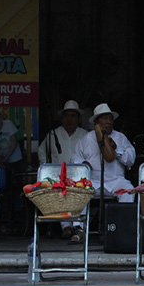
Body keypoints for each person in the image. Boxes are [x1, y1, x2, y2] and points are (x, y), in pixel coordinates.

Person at [71, 103, 136, 241]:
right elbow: (75, 157)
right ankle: (79, 229)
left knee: (129, 190)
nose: (108, 121)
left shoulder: (120, 137)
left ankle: (123, 228)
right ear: (97, 122)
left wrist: (117, 150)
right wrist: (83, 163)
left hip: (115, 180)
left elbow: (131, 159)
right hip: (93, 182)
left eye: (110, 118)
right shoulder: (86, 139)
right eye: (104, 118)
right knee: (78, 190)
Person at [38, 99, 88, 238]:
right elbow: (42, 151)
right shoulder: (53, 134)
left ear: (78, 118)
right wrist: (48, 167)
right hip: (58, 176)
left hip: (79, 176)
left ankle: (78, 227)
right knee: (60, 192)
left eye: (73, 116)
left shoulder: (85, 135)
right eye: (67, 116)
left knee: (81, 193)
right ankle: (66, 226)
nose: (69, 119)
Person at [0, 108, 26, 233]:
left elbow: (14, 142)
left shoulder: (8, 124)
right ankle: (5, 219)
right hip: (4, 164)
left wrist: (6, 157)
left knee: (18, 190)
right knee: (5, 190)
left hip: (16, 160)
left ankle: (17, 219)